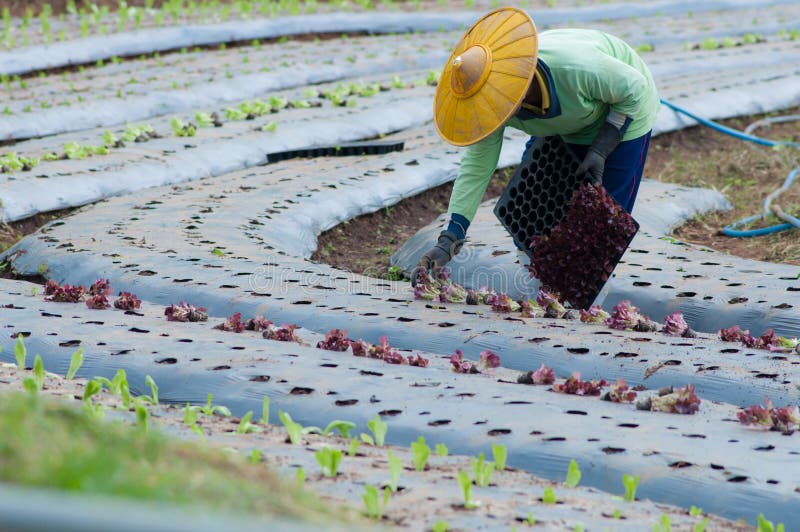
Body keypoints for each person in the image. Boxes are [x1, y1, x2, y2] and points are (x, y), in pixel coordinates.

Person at [413, 7, 659, 283]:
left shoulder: (576, 69)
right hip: (563, 123)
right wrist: (450, 237)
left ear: (514, 85)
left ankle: (585, 296)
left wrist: (601, 148)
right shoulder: (492, 109)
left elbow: (634, 90)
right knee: (531, 217)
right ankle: (547, 289)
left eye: (494, 103)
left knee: (601, 225)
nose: (491, 111)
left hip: (621, 115)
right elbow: (476, 166)